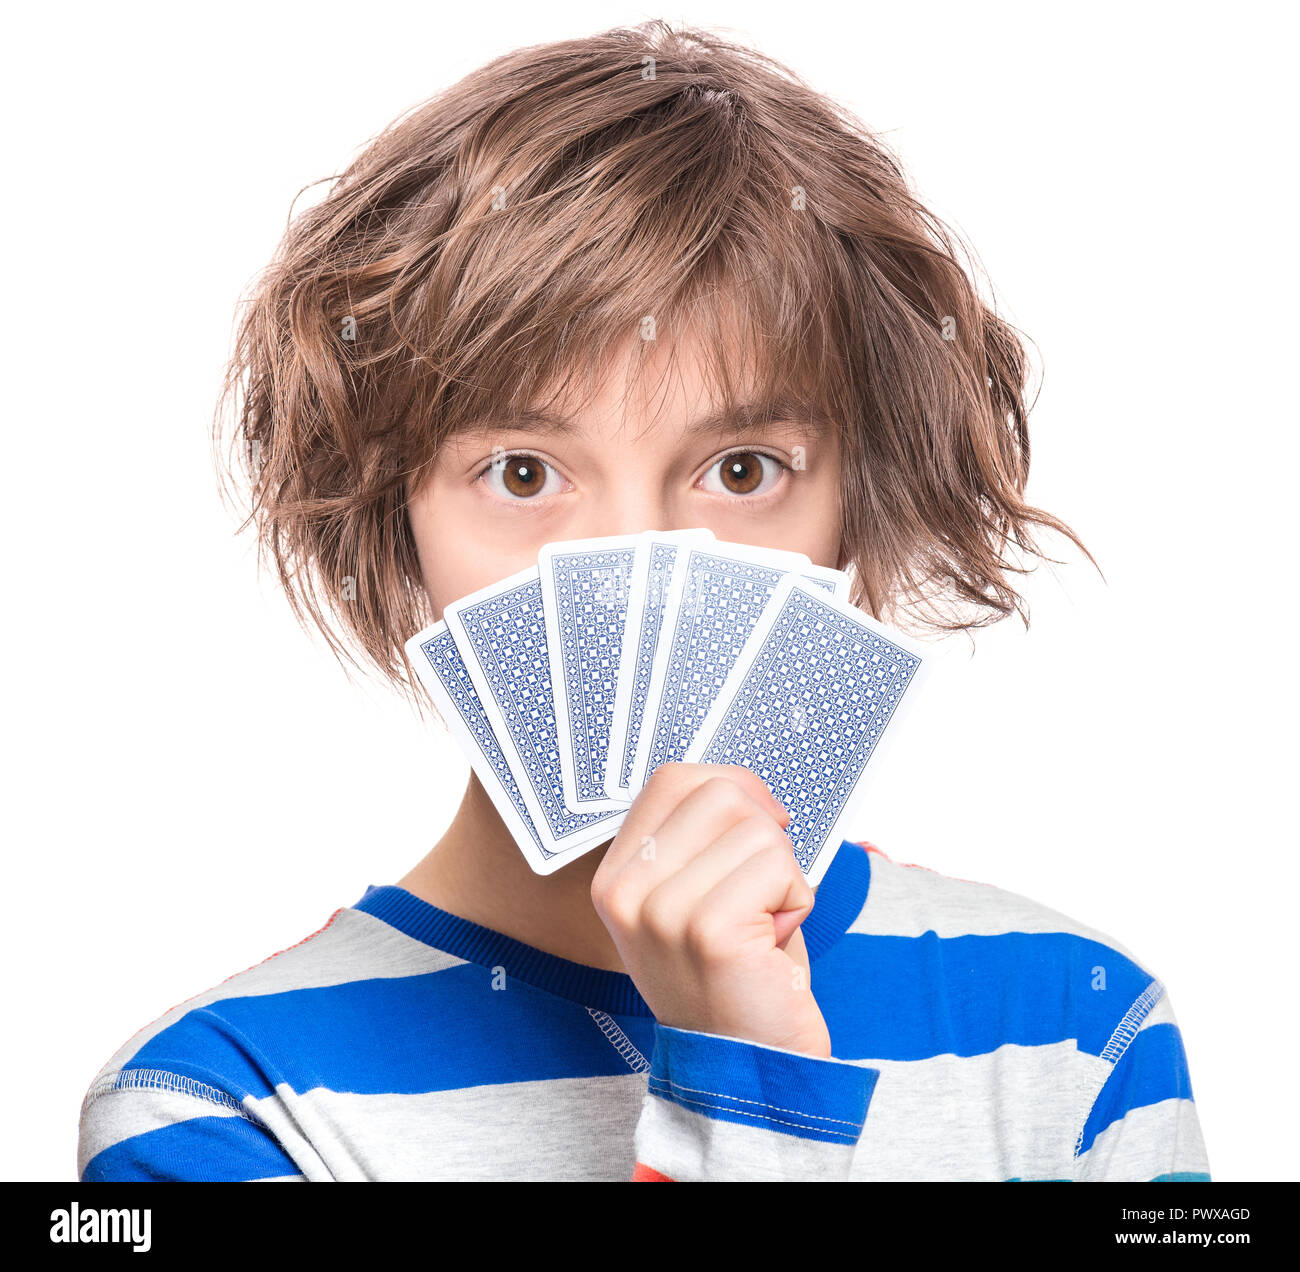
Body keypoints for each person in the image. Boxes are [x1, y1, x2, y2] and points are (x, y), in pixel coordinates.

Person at [77, 19, 1210, 1182]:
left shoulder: (1078, 1027)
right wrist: (748, 1090)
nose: (635, 572)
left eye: (741, 471)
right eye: (523, 474)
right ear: (392, 517)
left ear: (854, 505)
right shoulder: (219, 1109)